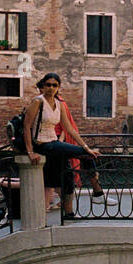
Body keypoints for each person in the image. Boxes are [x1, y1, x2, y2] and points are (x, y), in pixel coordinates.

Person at [25, 74, 104, 220]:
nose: (51, 88)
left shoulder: (59, 104)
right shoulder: (37, 102)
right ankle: (98, 193)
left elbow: (69, 128)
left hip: (54, 144)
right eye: (48, 85)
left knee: (68, 178)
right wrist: (30, 152)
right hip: (43, 145)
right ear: (43, 86)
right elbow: (27, 126)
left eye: (54, 85)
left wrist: (85, 146)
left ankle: (68, 214)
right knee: (85, 156)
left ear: (58, 87)